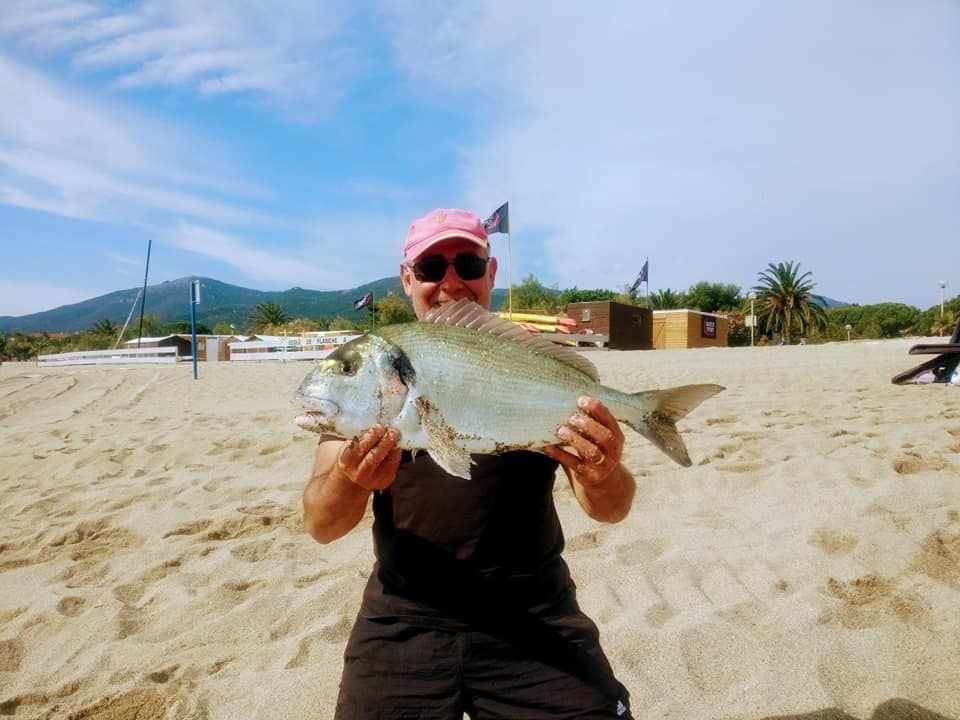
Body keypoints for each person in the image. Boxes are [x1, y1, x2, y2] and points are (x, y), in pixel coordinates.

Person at [303, 208, 636, 719]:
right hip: (405, 617)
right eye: (433, 268)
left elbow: (610, 510)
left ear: (492, 272)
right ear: (407, 278)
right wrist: (351, 479)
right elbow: (322, 525)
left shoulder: (530, 361)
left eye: (468, 265)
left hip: (535, 612)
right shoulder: (375, 379)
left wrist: (603, 469)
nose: (451, 282)